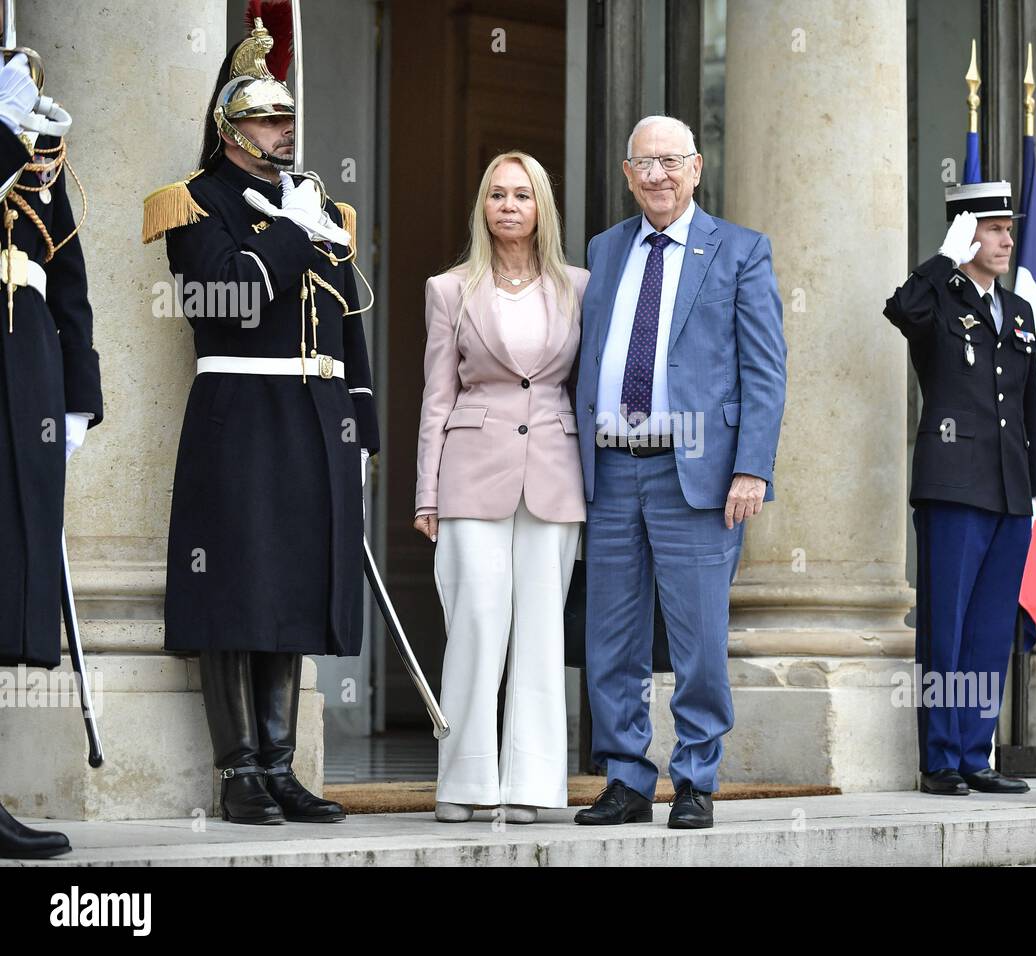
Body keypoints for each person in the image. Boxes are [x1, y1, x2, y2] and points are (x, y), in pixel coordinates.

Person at [142, 9, 379, 824]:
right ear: (230, 129)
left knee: (293, 583)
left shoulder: (321, 209)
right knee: (235, 585)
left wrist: (360, 427)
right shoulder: (194, 204)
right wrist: (290, 233)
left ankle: (279, 766)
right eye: (267, 120)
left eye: (286, 118)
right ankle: (238, 772)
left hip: (313, 409)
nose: (284, 131)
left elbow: (349, 327)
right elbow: (227, 298)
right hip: (239, 407)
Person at [572, 115, 786, 829]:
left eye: (671, 161)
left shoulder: (741, 252)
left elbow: (765, 370)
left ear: (696, 169)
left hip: (694, 474)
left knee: (698, 639)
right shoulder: (604, 251)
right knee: (610, 638)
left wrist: (751, 467)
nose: (658, 175)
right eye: (644, 163)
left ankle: (695, 777)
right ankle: (627, 779)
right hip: (610, 468)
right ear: (628, 175)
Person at [414, 152, 588, 824]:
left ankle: (535, 786)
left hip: (554, 469)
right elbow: (436, 395)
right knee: (477, 625)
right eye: (496, 195)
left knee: (542, 632)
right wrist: (426, 491)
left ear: (541, 207)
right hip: (469, 471)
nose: (509, 206)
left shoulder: (579, 286)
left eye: (522, 195)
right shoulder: (449, 288)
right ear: (482, 207)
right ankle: (462, 783)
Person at [883, 181, 1036, 796]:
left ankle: (978, 754)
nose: (1006, 238)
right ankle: (941, 759)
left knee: (989, 628)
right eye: (993, 227)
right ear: (965, 233)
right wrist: (944, 260)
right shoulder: (938, 301)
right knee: (944, 627)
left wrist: (1035, 485)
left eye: (1008, 228)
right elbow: (901, 309)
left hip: (1008, 491)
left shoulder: (1019, 310)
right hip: (953, 487)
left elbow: (1026, 402)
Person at [0, 52, 102, 859]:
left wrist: (78, 393)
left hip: (25, 362)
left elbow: (65, 272)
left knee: (11, 575)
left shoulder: (38, 148)